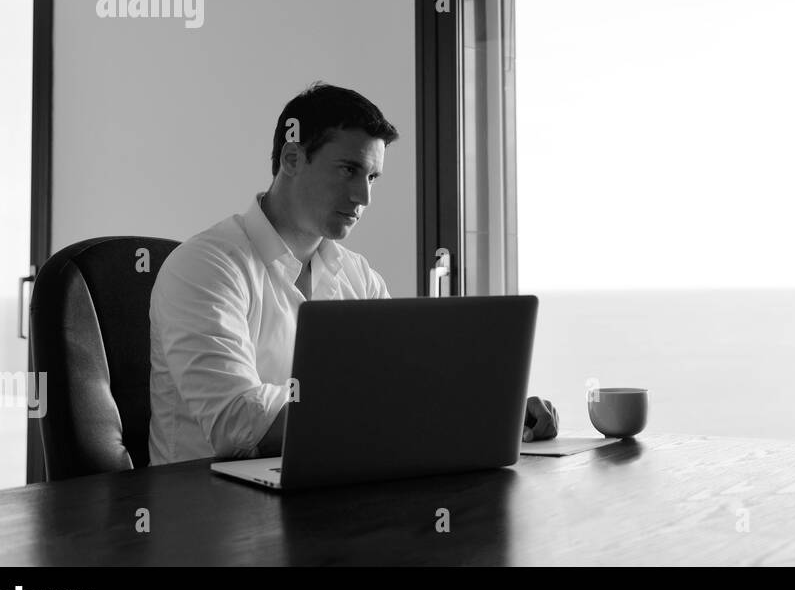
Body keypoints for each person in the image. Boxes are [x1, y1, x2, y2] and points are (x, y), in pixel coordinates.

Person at [148, 81, 556, 465]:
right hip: (206, 511)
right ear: (292, 159)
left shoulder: (358, 277)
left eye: (373, 176)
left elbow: (407, 388)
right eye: (348, 170)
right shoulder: (205, 267)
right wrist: (384, 411)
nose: (364, 197)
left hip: (325, 495)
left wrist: (495, 411)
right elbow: (237, 423)